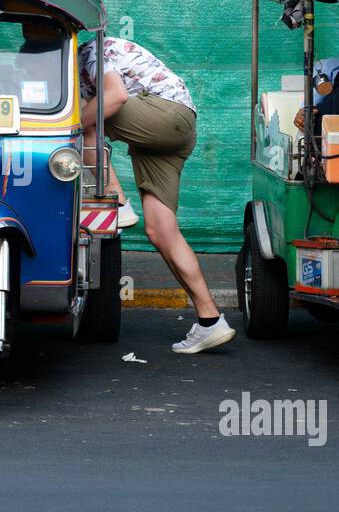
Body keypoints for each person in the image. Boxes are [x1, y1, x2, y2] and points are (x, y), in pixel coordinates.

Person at [79, 34, 234, 354]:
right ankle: (210, 321)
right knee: (161, 230)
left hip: (166, 115)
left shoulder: (90, 52)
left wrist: (76, 123)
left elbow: (116, 95)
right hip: (176, 129)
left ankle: (117, 201)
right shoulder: (84, 69)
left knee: (78, 125)